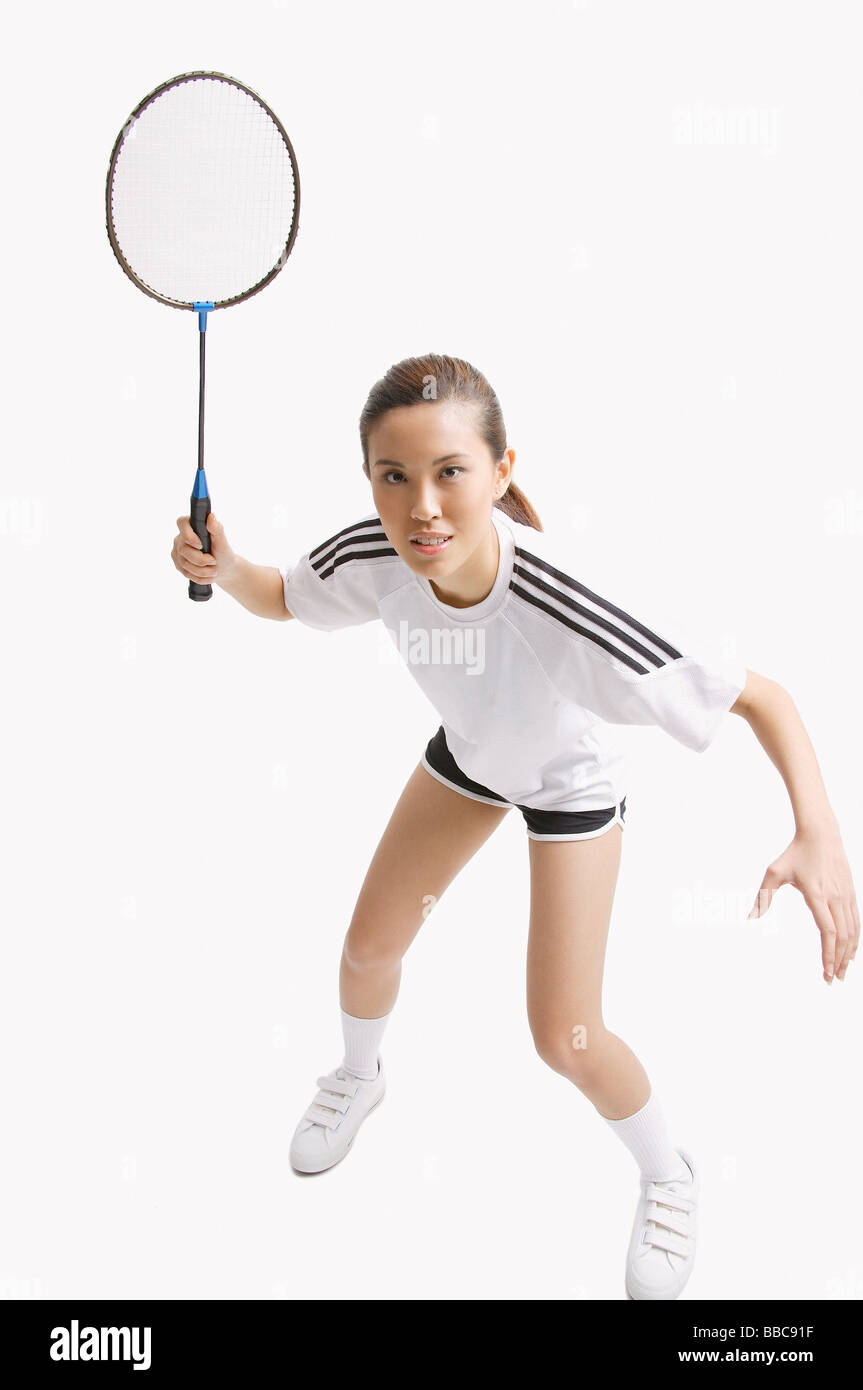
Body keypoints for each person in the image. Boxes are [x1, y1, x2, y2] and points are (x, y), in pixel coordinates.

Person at [171, 353, 859, 1300]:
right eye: (394, 476)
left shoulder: (569, 608)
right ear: (369, 478)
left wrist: (817, 832)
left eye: (451, 472)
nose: (422, 509)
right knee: (367, 949)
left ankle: (668, 1171)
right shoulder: (373, 555)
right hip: (470, 754)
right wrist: (226, 563)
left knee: (565, 1036)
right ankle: (358, 1078)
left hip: (569, 782)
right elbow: (281, 596)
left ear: (501, 472)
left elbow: (763, 697)